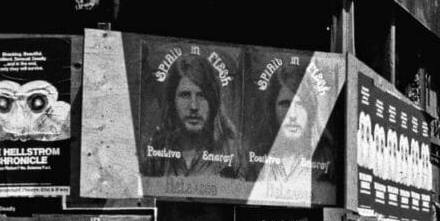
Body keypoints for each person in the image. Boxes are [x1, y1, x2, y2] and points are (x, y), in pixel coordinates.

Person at [143, 53, 243, 179]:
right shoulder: (155, 150)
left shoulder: (232, 152)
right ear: (172, 100)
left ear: (213, 100)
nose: (194, 106)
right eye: (185, 95)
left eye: (201, 95)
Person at [247, 61, 337, 189]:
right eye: (285, 104)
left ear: (311, 109)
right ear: (272, 109)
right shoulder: (256, 160)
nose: (292, 115)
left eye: (300, 104)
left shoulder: (329, 161)